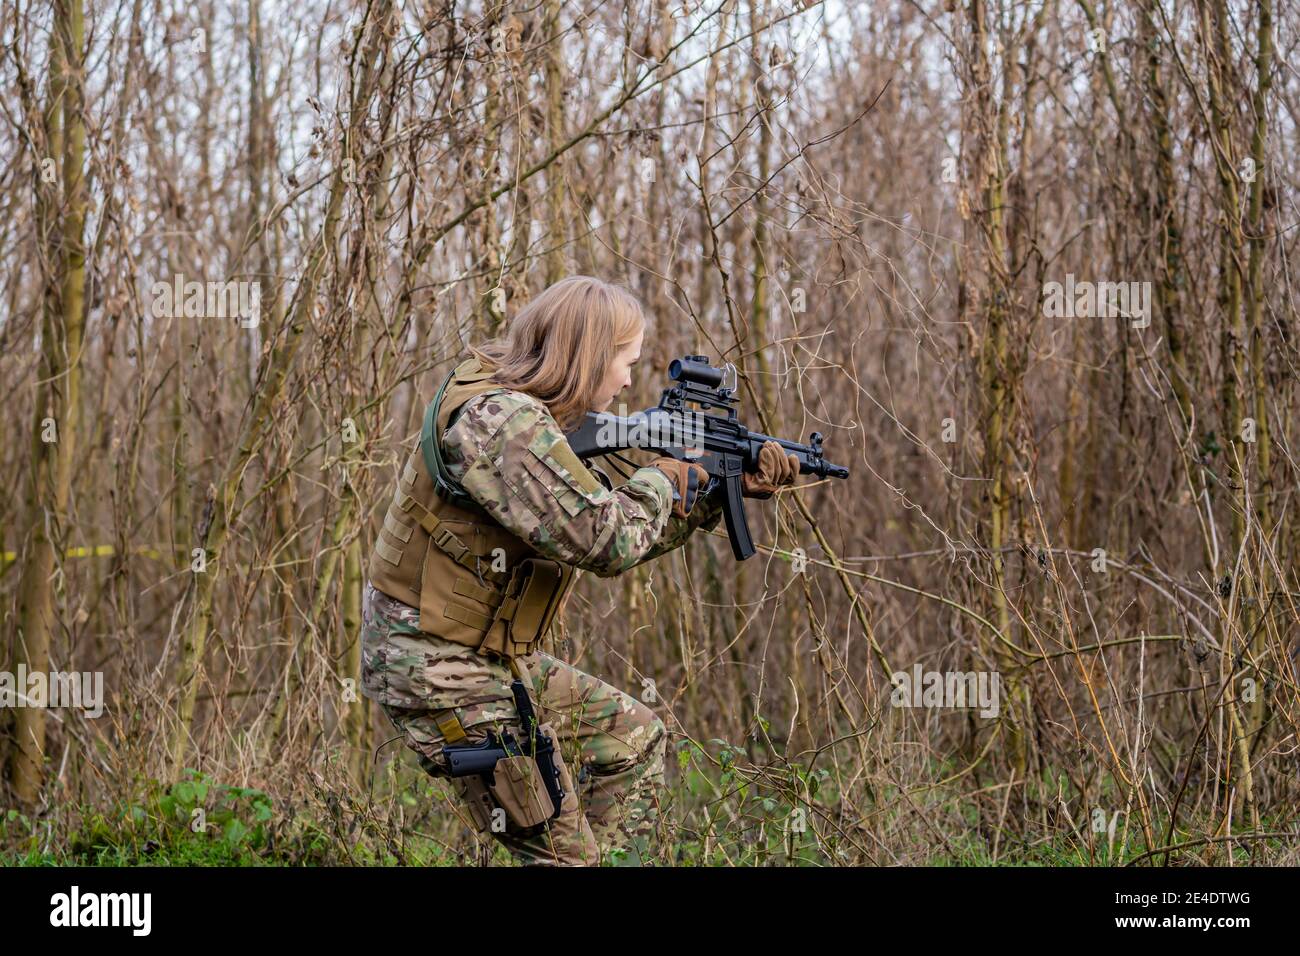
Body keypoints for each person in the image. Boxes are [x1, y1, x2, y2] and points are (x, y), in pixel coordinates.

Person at [359, 275, 799, 866]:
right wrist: (662, 478)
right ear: (588, 354)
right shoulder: (500, 423)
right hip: (435, 664)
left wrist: (714, 493)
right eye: (624, 361)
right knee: (566, 858)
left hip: (487, 653)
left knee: (634, 742)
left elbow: (611, 530)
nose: (626, 379)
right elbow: (604, 540)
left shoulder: (524, 409)